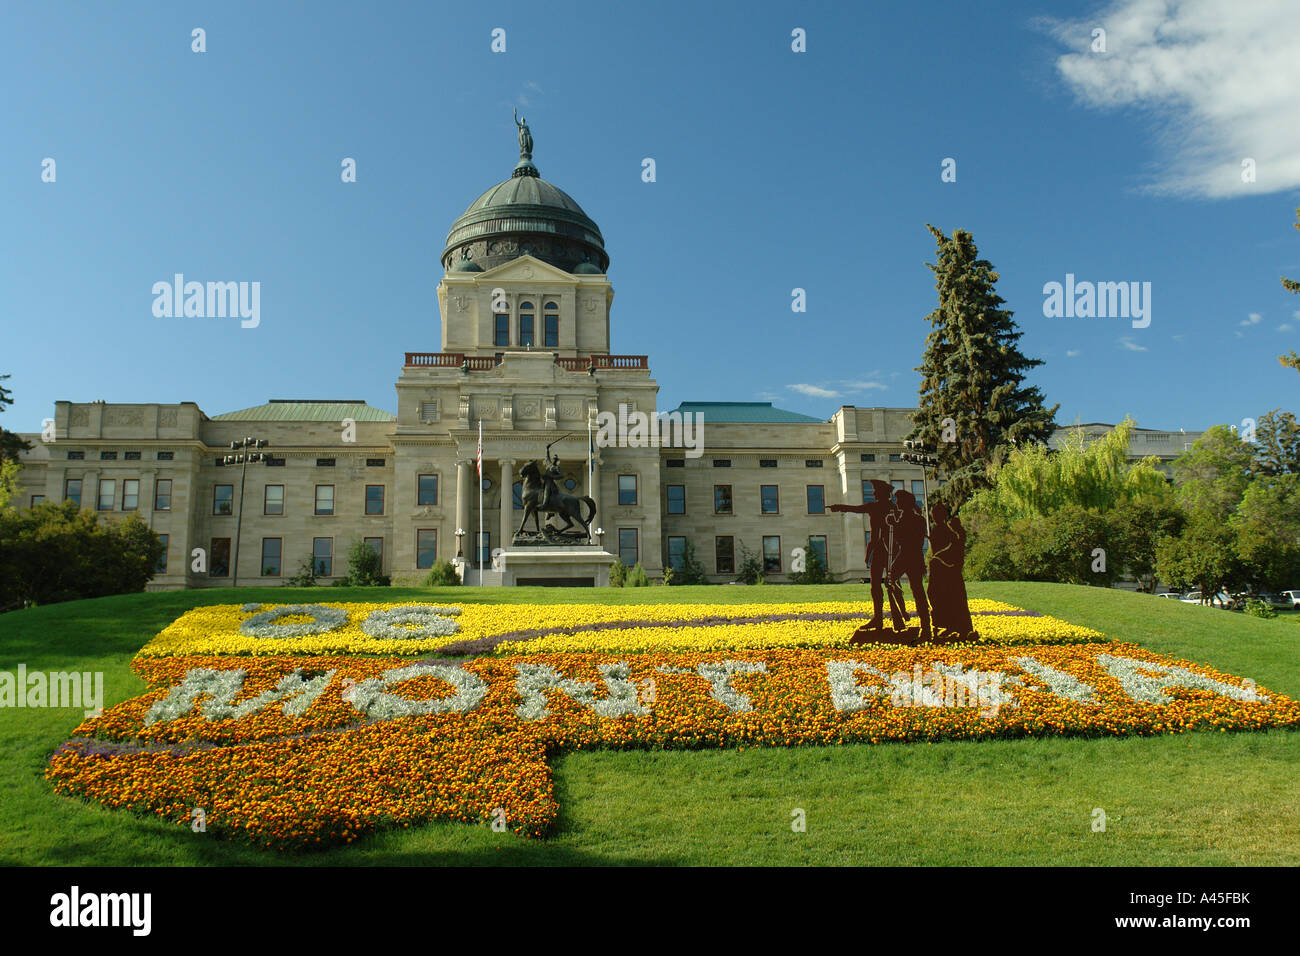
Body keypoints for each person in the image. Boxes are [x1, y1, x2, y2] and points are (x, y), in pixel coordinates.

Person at [830, 480, 905, 630]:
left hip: (885, 549)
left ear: (883, 493)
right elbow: (856, 509)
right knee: (881, 584)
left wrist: (838, 507)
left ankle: (889, 617)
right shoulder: (893, 508)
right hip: (886, 549)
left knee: (884, 584)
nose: (874, 494)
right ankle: (881, 618)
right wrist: (839, 507)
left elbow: (856, 509)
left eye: (876, 492)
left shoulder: (882, 507)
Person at [885, 490, 931, 641]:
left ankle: (925, 626)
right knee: (890, 582)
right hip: (906, 556)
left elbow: (907, 539)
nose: (896, 503)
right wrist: (895, 523)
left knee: (917, 591)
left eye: (898, 500)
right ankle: (902, 614)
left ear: (905, 502)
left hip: (911, 556)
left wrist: (894, 524)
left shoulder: (916, 519)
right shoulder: (906, 518)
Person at [926, 503, 977, 641]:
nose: (933, 517)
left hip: (944, 571)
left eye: (935, 514)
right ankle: (948, 626)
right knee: (937, 596)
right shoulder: (940, 530)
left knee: (941, 596)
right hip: (941, 570)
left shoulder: (944, 531)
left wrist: (938, 557)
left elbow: (953, 549)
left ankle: (950, 626)